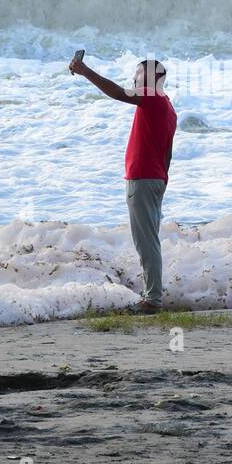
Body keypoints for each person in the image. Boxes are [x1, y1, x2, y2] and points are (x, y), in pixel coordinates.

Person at [69, 55, 176, 314]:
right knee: (148, 239)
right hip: (155, 177)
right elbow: (168, 152)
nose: (133, 79)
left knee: (145, 241)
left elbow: (117, 92)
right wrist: (162, 178)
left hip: (143, 177)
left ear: (152, 78)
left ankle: (153, 299)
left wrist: (84, 70)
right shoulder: (167, 105)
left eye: (137, 74)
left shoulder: (152, 97)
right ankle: (152, 295)